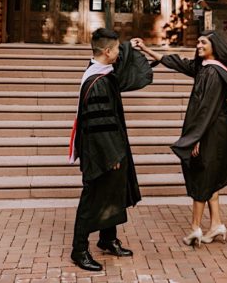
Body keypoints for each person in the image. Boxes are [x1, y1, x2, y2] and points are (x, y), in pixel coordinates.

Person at [133, 31, 227, 246]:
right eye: (197, 41)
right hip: (210, 130)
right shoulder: (205, 68)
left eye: (202, 42)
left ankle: (194, 228)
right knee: (210, 177)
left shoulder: (213, 73)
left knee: (200, 178)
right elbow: (179, 64)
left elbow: (206, 108)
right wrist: (146, 49)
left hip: (211, 131)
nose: (198, 45)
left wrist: (195, 138)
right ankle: (216, 224)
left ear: (214, 46)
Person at [68, 28, 153, 271]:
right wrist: (112, 154)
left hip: (109, 147)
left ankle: (107, 239)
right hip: (100, 150)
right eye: (116, 49)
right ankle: (79, 250)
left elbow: (120, 58)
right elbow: (99, 122)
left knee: (112, 192)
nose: (119, 53)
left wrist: (129, 45)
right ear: (107, 51)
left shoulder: (101, 71)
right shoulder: (98, 82)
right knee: (93, 196)